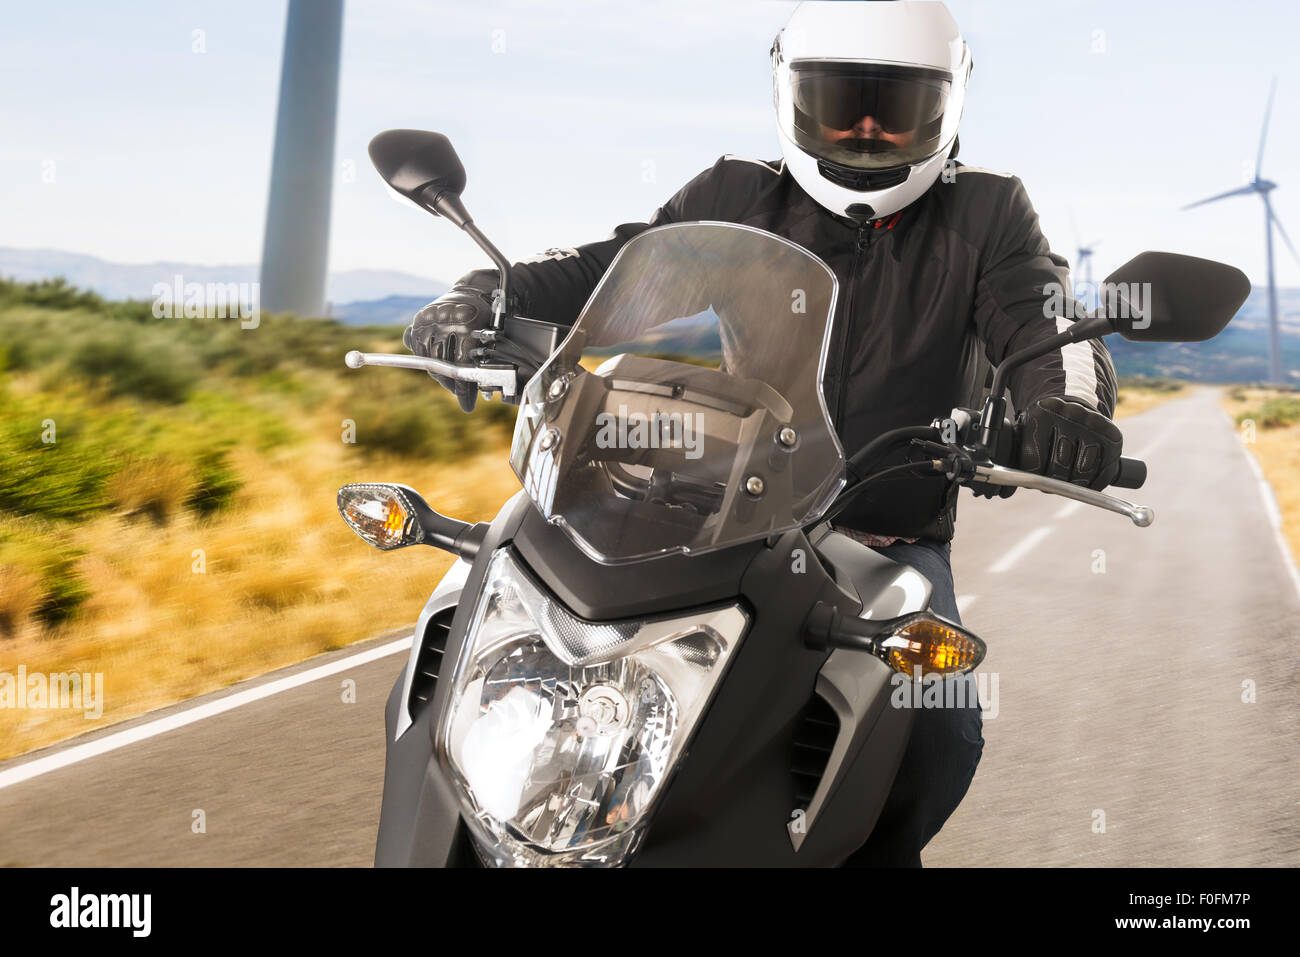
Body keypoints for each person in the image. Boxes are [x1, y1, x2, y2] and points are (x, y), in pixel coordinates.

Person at [404, 0, 1121, 865]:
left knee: (934, 726)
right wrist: (487, 293)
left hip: (875, 537)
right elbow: (609, 274)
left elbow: (1048, 329)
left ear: (948, 104)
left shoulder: (989, 213)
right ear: (789, 94)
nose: (863, 127)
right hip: (710, 515)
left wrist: (1067, 409)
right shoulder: (737, 195)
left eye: (893, 108)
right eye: (838, 102)